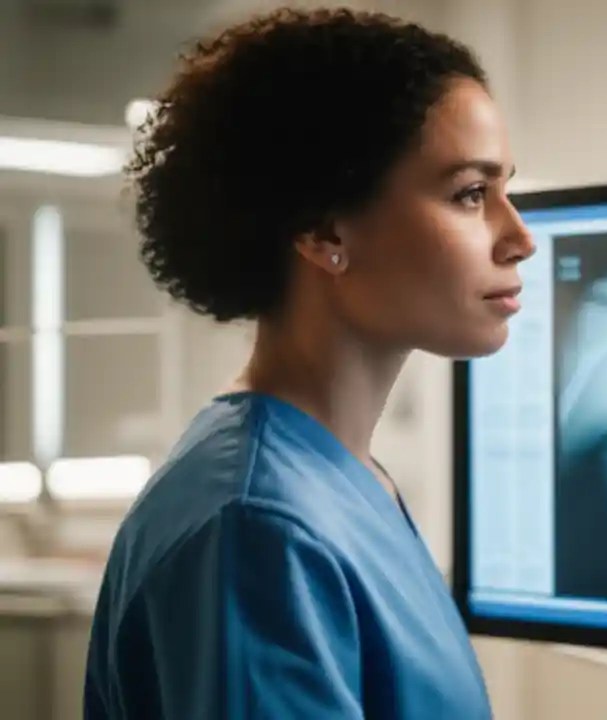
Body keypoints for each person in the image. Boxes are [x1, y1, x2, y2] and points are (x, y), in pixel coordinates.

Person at [83, 8, 533, 719]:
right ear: (326, 231)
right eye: (471, 194)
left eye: (505, 189)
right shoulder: (256, 528)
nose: (519, 238)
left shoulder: (340, 479)